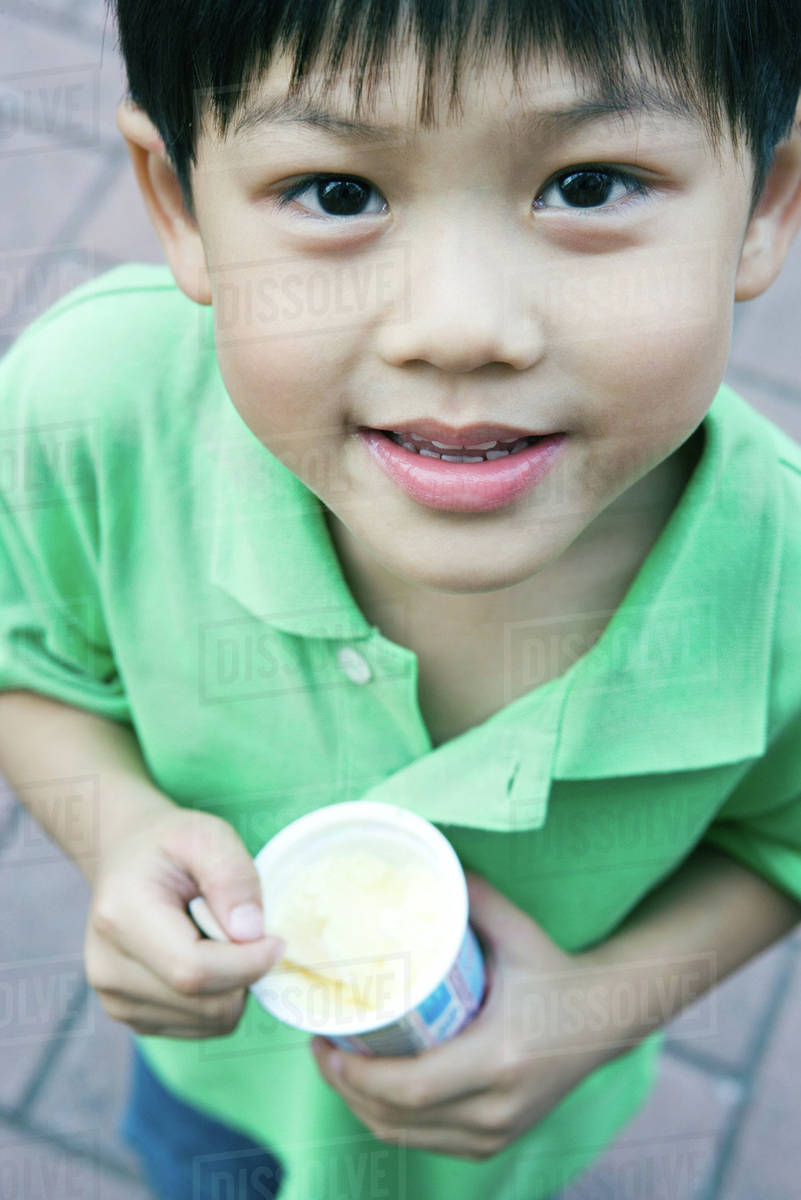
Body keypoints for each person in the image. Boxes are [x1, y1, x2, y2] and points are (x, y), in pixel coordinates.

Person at [2, 1, 801, 1197]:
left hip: (516, 1136)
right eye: (335, 193)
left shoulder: (781, 585)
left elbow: (781, 837)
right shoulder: (91, 420)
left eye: (589, 186)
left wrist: (591, 1015)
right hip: (225, 1103)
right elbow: (32, 667)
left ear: (764, 207)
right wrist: (114, 826)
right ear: (178, 207)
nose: (460, 330)